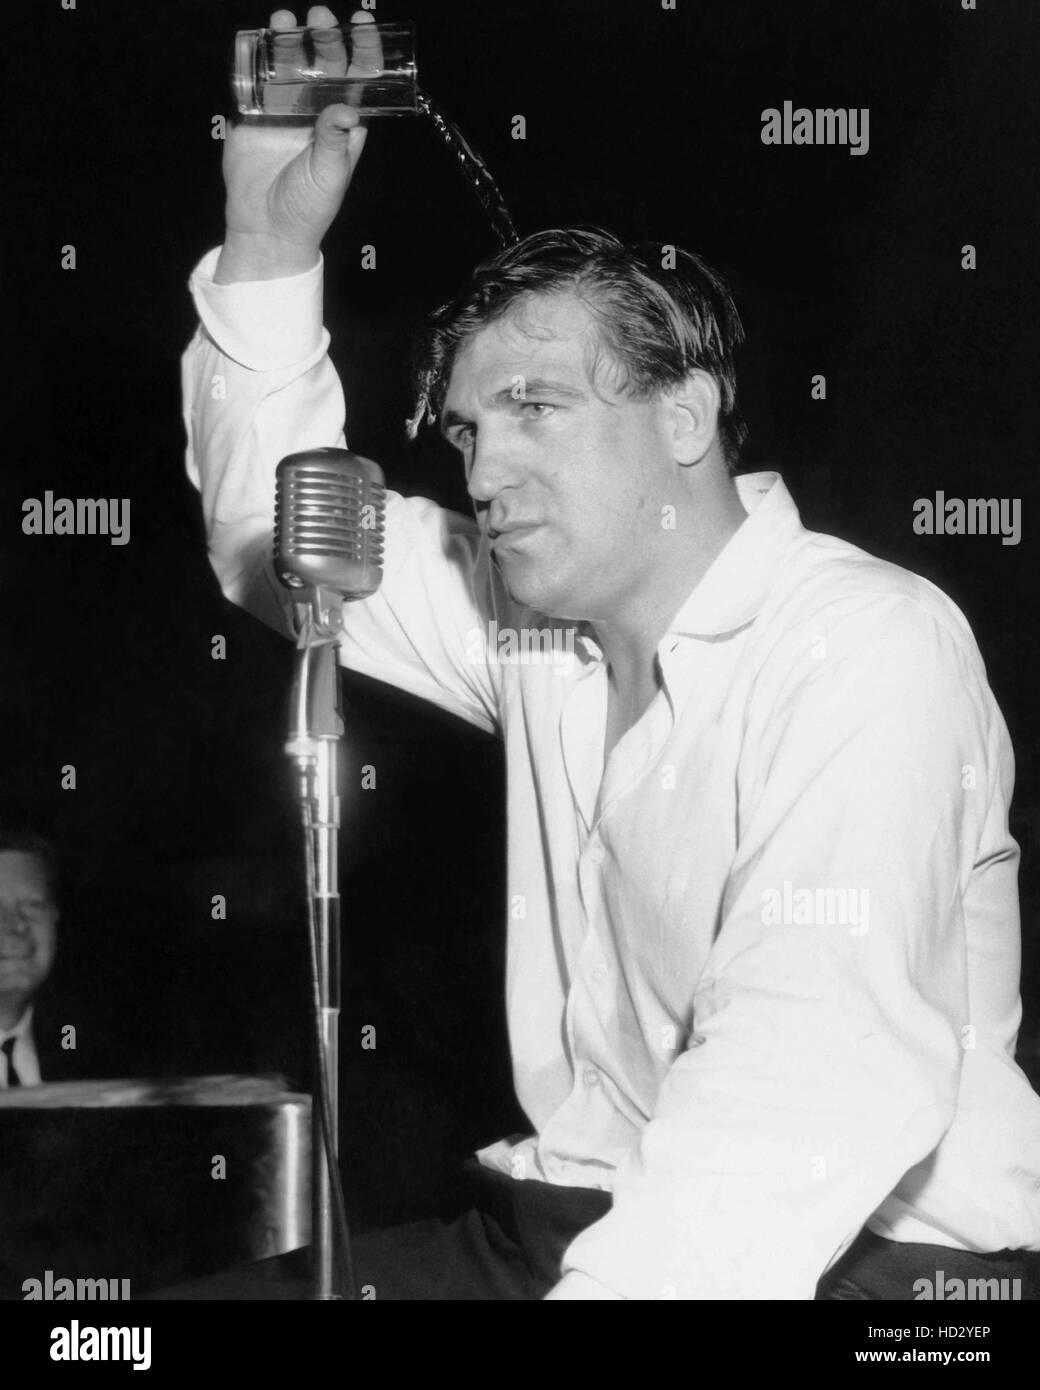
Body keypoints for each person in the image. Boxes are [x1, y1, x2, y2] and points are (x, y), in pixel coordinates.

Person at [181, 5, 1040, 1298]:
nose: (485, 468)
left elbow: (808, 1070)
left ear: (687, 415)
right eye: (467, 430)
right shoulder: (536, 634)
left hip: (860, 1257)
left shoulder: (861, 643)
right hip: (573, 1215)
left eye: (536, 407)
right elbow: (280, 540)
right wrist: (267, 237)